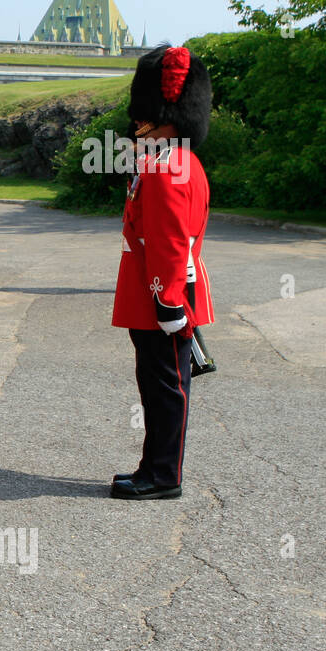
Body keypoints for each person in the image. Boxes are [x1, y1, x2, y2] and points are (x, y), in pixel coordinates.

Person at [111, 45, 215, 501]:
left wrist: (168, 301)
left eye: (142, 117)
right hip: (160, 286)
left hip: (166, 290)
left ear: (157, 114)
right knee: (157, 384)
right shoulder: (168, 159)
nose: (136, 125)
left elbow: (170, 244)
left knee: (165, 387)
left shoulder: (167, 166)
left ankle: (163, 475)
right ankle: (153, 465)